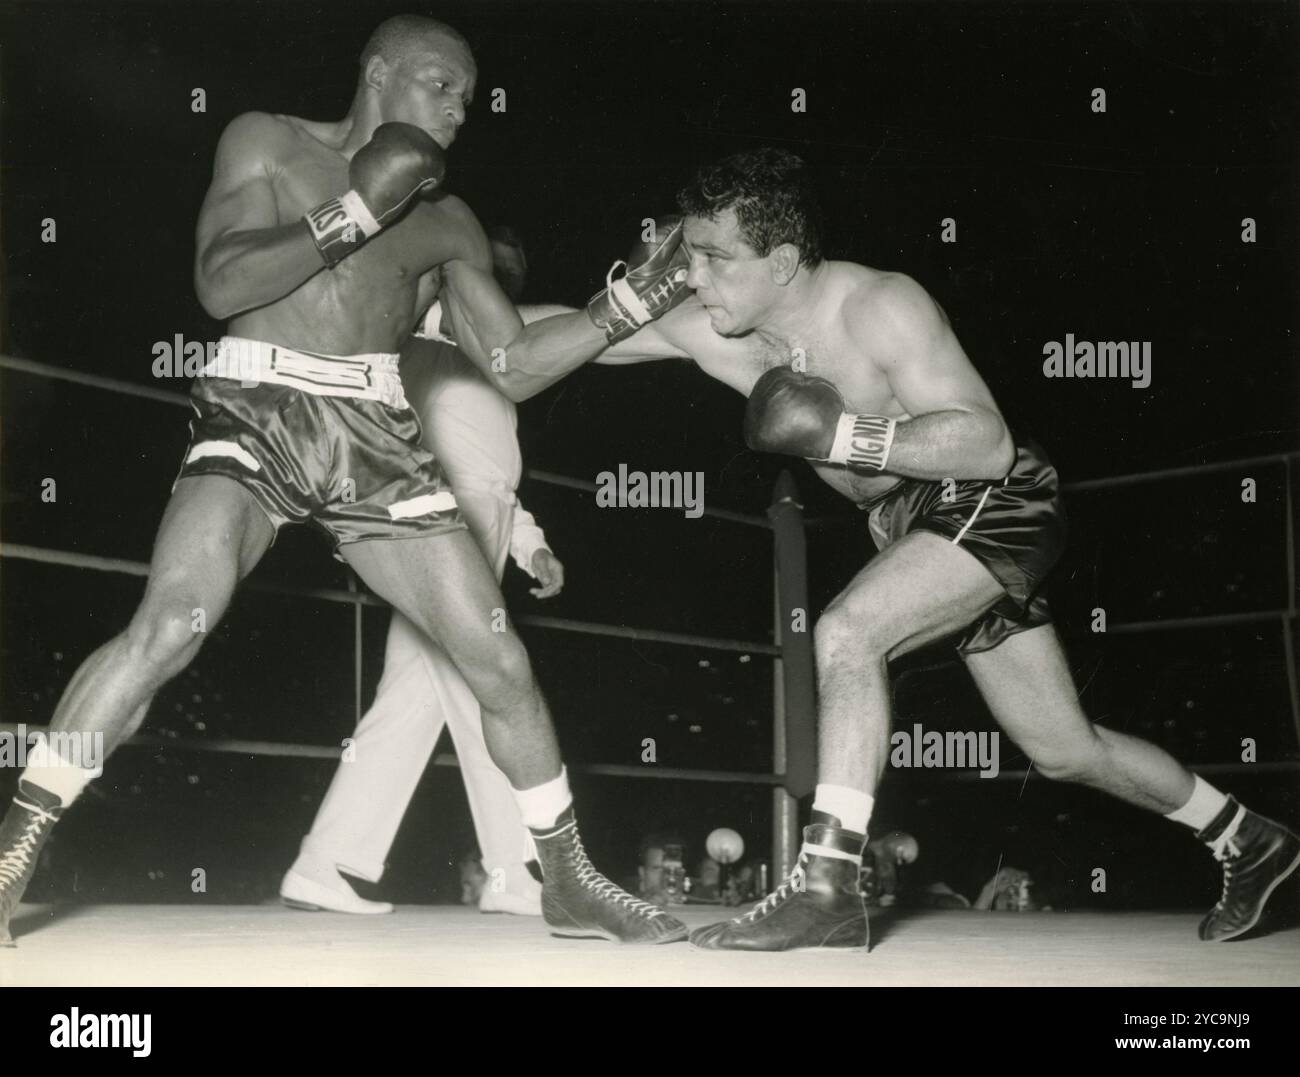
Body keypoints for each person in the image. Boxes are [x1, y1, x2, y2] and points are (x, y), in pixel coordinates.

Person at [0, 14, 692, 947]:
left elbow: (516, 362)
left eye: (470, 96)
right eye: (440, 85)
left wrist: (628, 305)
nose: (459, 109)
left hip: (377, 429)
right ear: (377, 74)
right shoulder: (266, 141)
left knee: (499, 659)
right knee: (171, 622)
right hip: (261, 404)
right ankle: (17, 847)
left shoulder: (450, 220)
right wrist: (353, 213)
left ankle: (566, 876)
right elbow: (219, 283)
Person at [512, 148, 1299, 950]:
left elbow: (987, 443)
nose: (694, 276)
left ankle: (825, 885)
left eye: (714, 259)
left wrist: (843, 434)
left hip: (990, 495)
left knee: (849, 632)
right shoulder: (725, 332)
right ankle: (1248, 838)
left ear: (781, 261)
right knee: (1063, 748)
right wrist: (610, 301)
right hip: (909, 522)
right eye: (691, 257)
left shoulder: (879, 306)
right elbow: (557, 340)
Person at [280, 229, 561, 917]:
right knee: (482, 684)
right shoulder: (429, 337)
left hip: (479, 515)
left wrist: (532, 545)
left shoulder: (498, 360)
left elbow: (499, 471)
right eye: (495, 261)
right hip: (438, 518)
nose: (509, 267)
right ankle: (513, 864)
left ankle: (324, 860)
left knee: (414, 698)